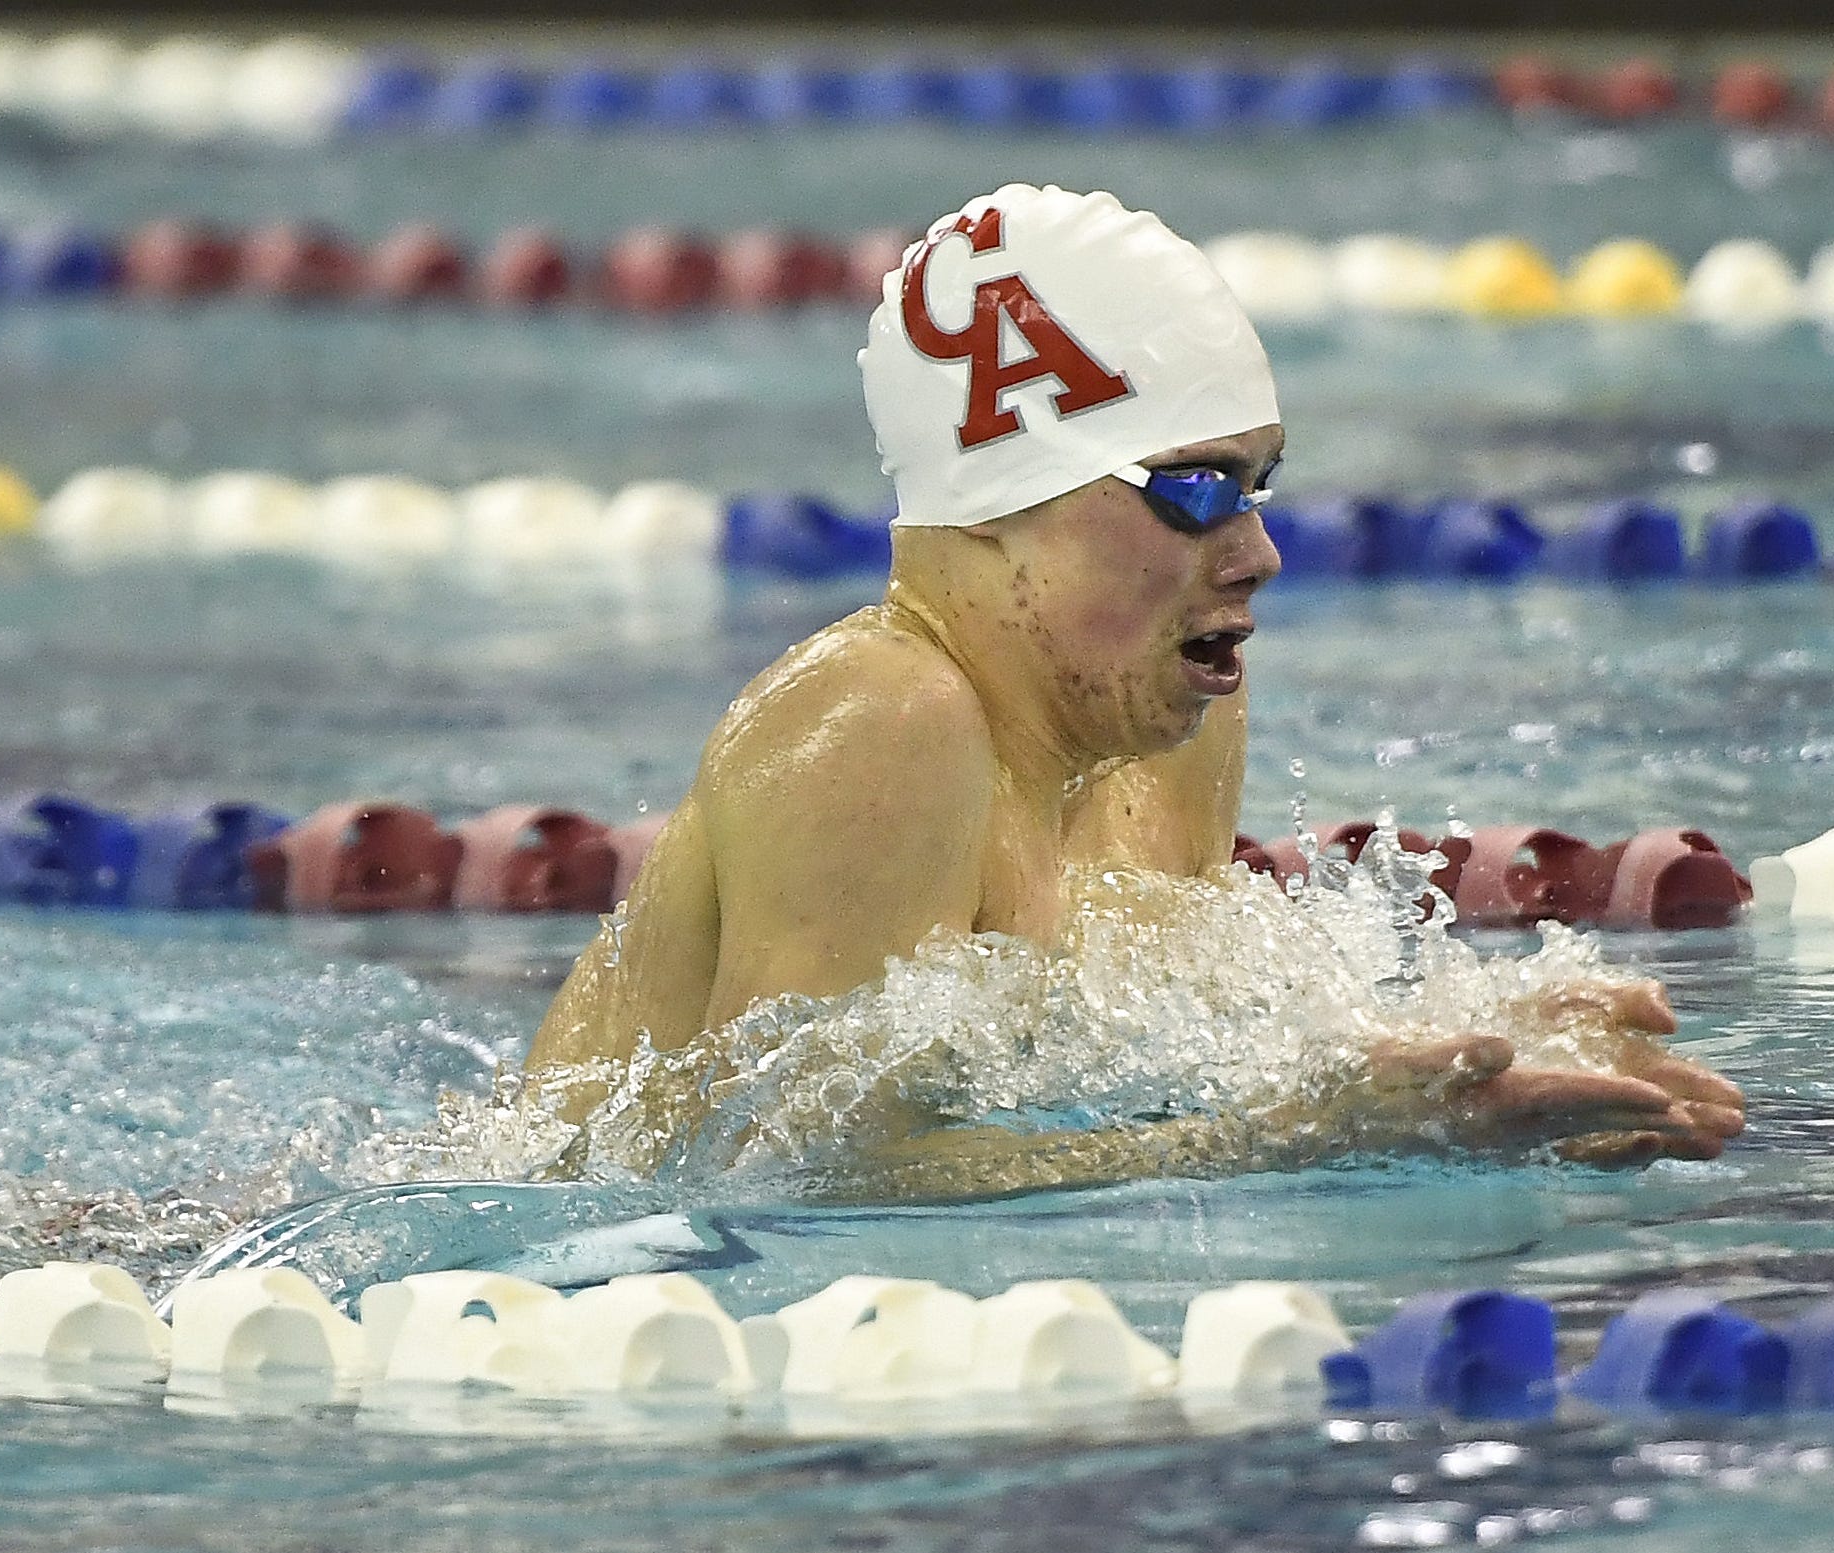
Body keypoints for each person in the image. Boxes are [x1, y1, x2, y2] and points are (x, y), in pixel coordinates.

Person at [524, 184, 1743, 1196]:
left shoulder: (1164, 721)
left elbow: (1153, 1072)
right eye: (1196, 490)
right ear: (1004, 505)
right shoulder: (880, 722)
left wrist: (1483, 1070)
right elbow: (776, 1184)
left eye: (1260, 485)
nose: (1259, 552)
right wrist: (1302, 1142)